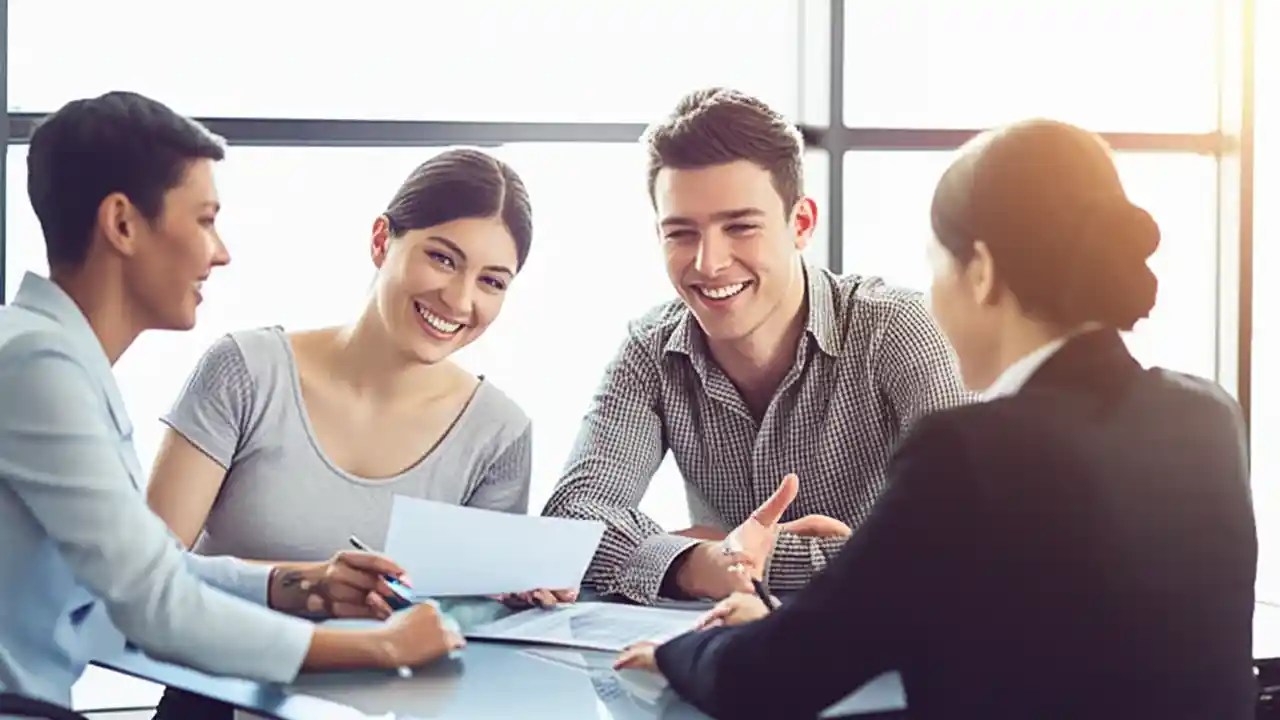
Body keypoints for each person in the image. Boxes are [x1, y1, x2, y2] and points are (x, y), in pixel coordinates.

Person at [613, 119, 1258, 719]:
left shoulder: (972, 452)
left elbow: (781, 677)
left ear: (979, 274)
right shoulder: (1207, 416)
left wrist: (677, 655)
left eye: (935, 266)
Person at [0, 91, 462, 710]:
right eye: (204, 219)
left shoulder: (46, 355)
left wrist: (296, 586)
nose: (220, 252)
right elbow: (154, 604)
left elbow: (146, 566)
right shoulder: (39, 368)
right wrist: (382, 647)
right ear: (122, 224)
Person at [143, 149, 574, 718]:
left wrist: (511, 597)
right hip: (221, 695)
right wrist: (308, 583)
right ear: (381, 241)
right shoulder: (247, 370)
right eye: (443, 259)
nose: (460, 300)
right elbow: (142, 569)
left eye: (492, 281)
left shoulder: (501, 431)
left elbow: (464, 634)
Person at [541, 87, 972, 605]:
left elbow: (965, 533)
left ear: (802, 224)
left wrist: (741, 556)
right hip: (721, 659)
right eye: (681, 233)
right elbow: (573, 521)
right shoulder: (650, 349)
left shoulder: (896, 328)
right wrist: (696, 563)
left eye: (740, 227)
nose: (708, 263)